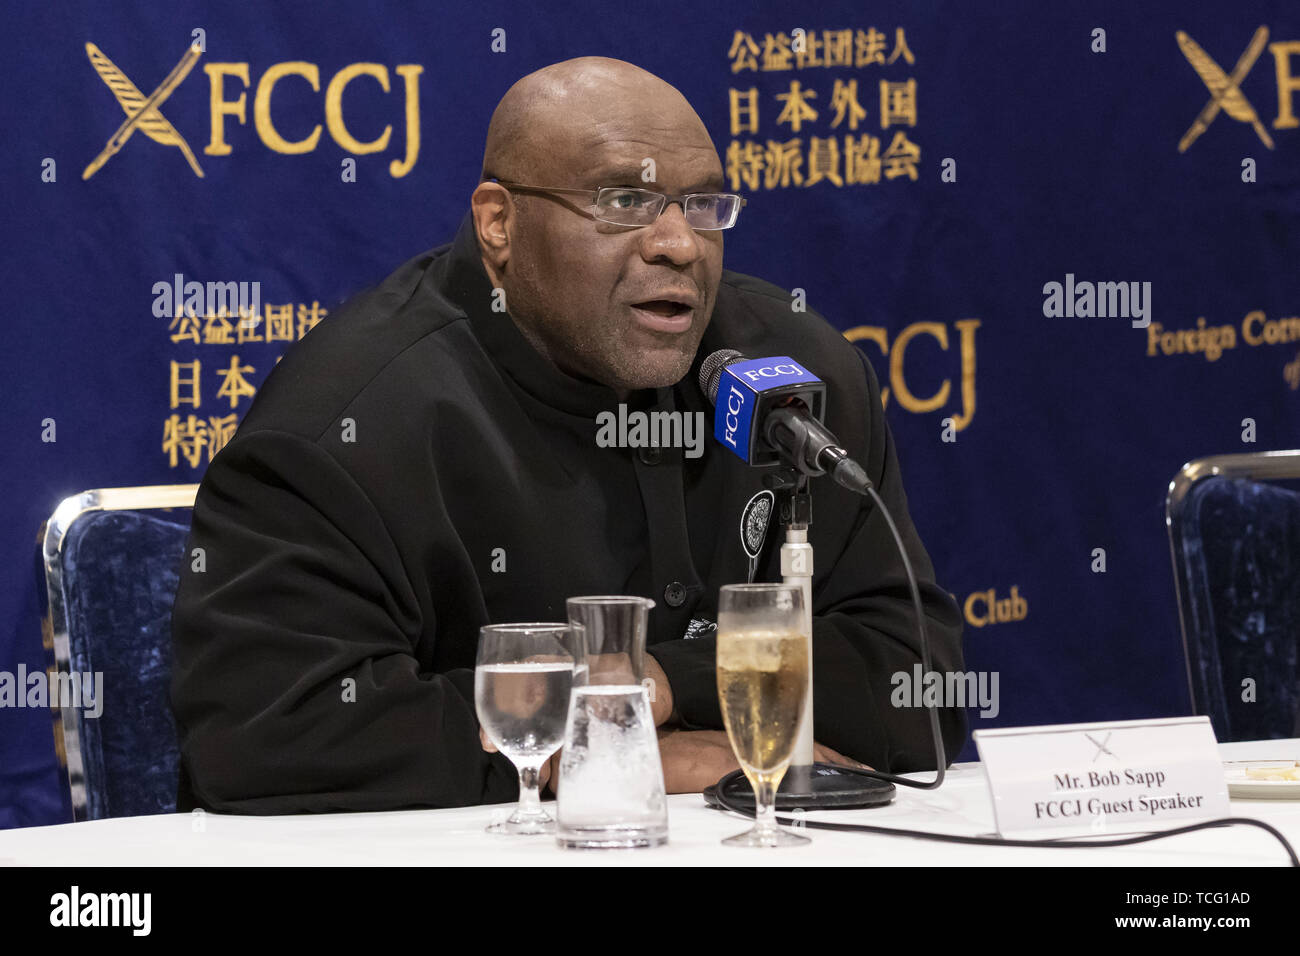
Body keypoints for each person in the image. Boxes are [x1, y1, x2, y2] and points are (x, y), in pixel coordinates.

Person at [170, 56, 966, 814]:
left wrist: (662, 683)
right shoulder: (345, 420)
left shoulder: (795, 376)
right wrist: (616, 752)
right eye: (623, 201)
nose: (679, 244)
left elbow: (919, 687)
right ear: (498, 224)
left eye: (704, 206)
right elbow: (266, 732)